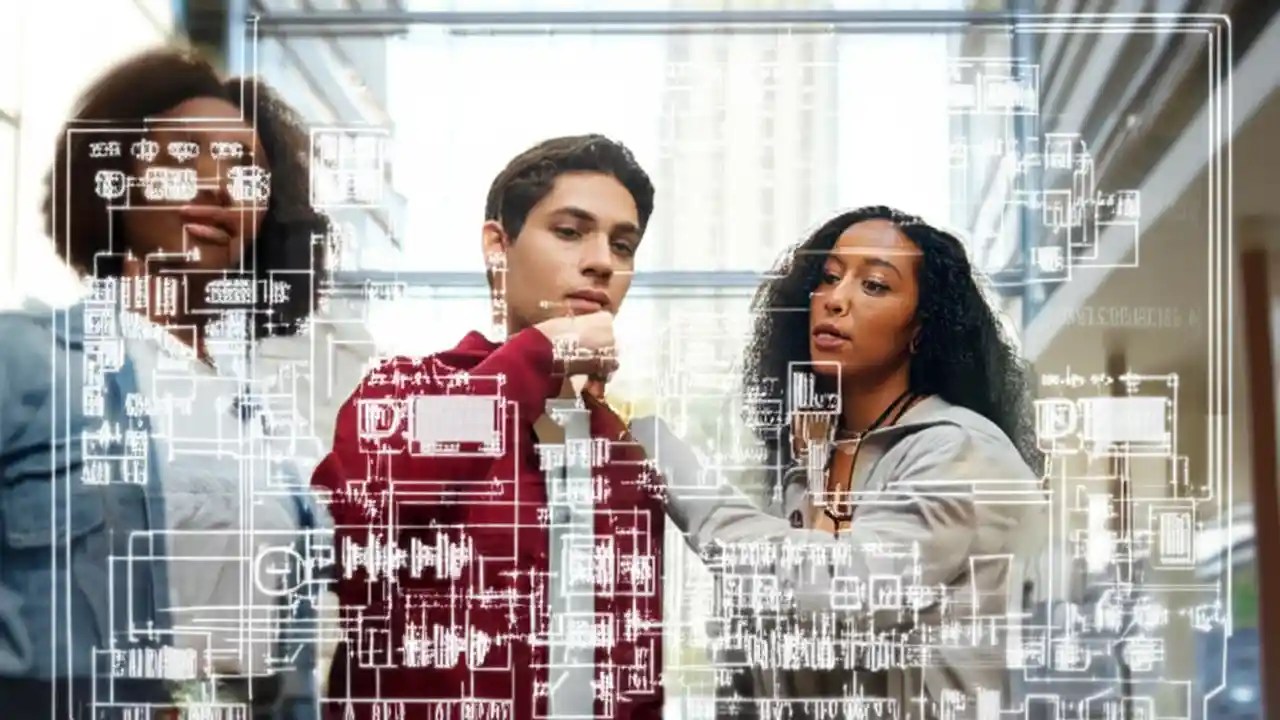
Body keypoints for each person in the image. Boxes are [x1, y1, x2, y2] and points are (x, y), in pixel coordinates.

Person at [0, 47, 333, 719]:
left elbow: (286, 659)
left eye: (246, 173)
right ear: (120, 176)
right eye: (185, 155)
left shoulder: (271, 431)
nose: (216, 184)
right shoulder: (23, 360)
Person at [632, 205, 1047, 719]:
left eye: (873, 285)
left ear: (921, 327)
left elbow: (843, 596)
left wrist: (668, 465)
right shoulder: (803, 467)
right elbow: (754, 658)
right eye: (828, 278)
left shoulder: (961, 450)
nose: (835, 299)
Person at [312, 135, 665, 720]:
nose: (603, 259)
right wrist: (537, 357)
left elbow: (635, 676)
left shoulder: (624, 458)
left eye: (622, 244)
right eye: (571, 231)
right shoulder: (405, 390)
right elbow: (350, 535)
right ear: (498, 248)